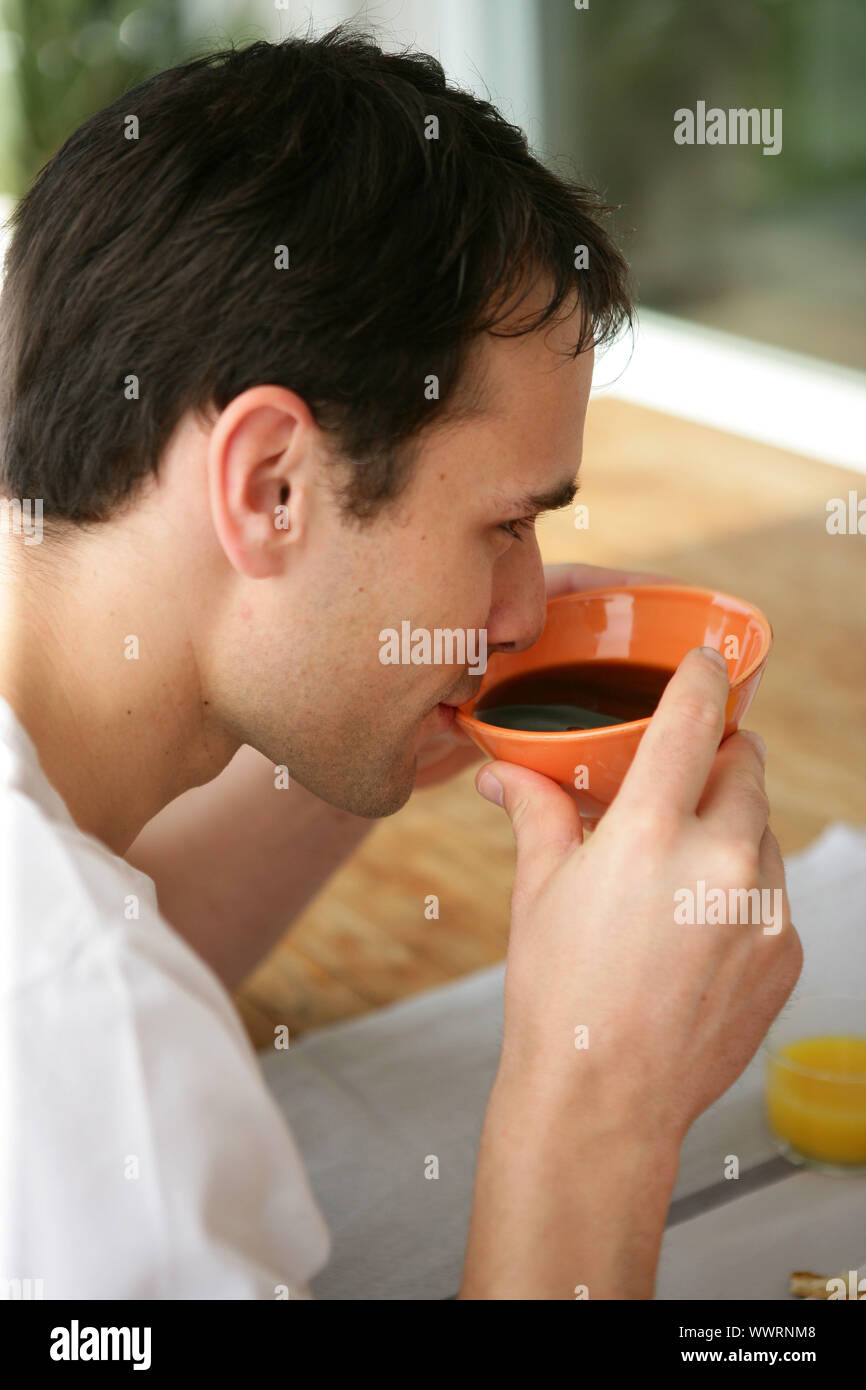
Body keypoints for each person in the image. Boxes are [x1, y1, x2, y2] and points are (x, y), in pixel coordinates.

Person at [0, 25, 801, 1300]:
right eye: (504, 523)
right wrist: (593, 1109)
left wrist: (371, 711)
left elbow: (104, 930)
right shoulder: (92, 1044)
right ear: (269, 483)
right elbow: (86, 1027)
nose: (526, 605)